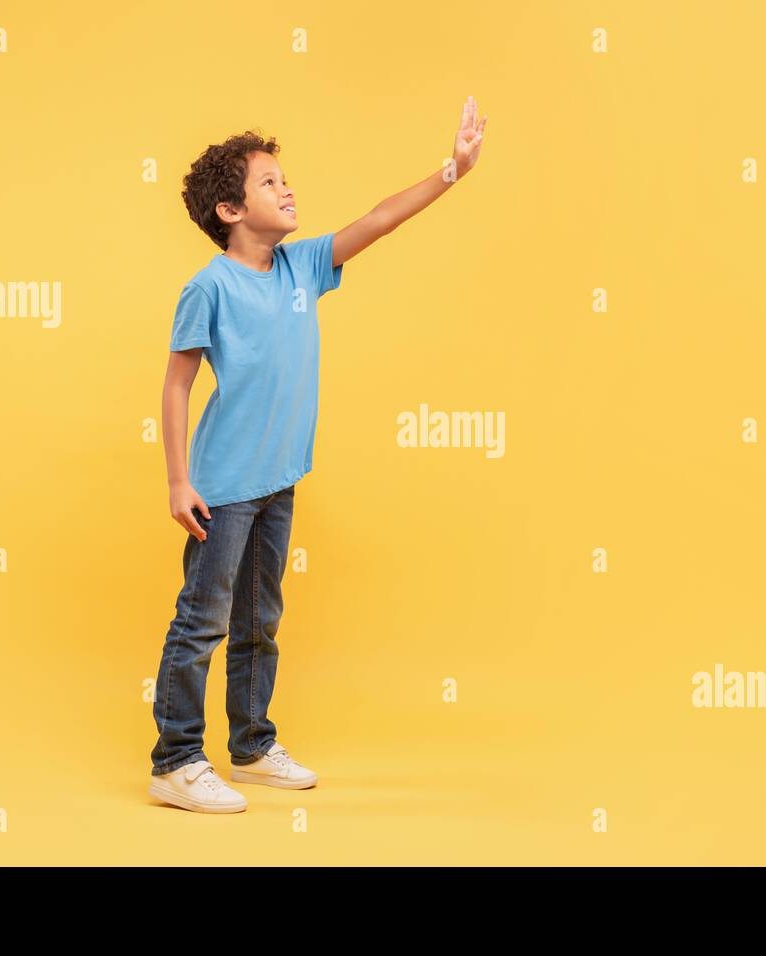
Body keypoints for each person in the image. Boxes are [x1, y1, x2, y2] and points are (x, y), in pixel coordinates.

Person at [147, 97, 487, 813]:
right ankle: (175, 760)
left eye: (284, 178)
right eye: (269, 182)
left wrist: (451, 170)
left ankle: (250, 745)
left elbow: (379, 219)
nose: (287, 188)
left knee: (260, 618)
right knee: (202, 621)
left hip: (278, 480)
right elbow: (177, 385)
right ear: (230, 211)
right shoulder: (208, 286)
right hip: (222, 486)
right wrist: (179, 481)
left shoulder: (302, 267)